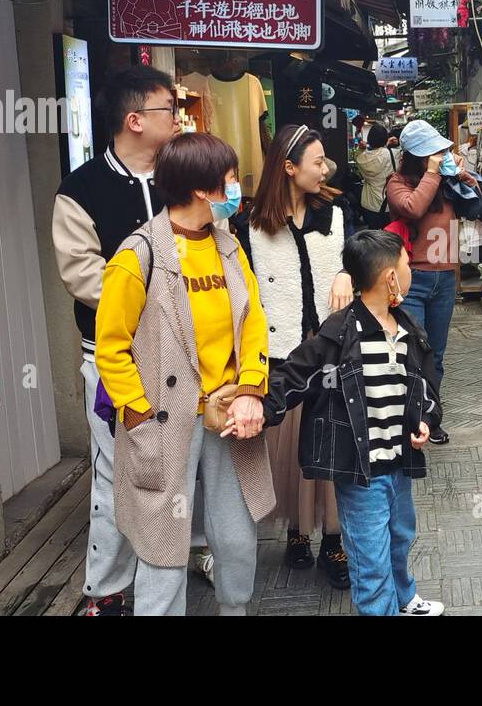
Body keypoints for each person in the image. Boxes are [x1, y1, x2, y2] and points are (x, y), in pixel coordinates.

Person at [95, 132, 274, 616]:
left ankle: (234, 609)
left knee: (235, 535)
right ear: (203, 188)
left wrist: (252, 389)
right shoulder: (138, 256)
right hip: (164, 419)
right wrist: (137, 418)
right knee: (164, 541)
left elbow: (254, 320)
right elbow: (111, 348)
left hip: (228, 414)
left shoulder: (227, 245)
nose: (236, 188)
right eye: (231, 179)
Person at [264, 230, 444, 616]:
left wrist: (427, 418)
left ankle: (404, 597)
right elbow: (296, 374)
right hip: (361, 472)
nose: (410, 268)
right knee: (370, 559)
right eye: (406, 263)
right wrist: (258, 406)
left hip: (399, 465)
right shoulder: (341, 333)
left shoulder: (407, 329)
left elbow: (428, 382)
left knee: (399, 538)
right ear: (390, 278)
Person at [52, 65, 178, 617]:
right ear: (135, 120)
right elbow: (83, 276)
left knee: (184, 466)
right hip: (115, 360)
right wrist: (162, 300)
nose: (176, 118)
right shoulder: (81, 190)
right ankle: (104, 589)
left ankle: (174, 562)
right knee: (116, 473)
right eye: (167, 110)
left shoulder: (183, 178)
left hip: (187, 358)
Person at [240, 123, 355, 588]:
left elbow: (364, 257)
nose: (324, 167)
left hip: (333, 348)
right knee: (288, 450)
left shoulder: (337, 211)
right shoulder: (250, 226)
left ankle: (334, 536)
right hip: (284, 353)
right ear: (288, 168)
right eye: (316, 161)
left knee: (333, 439)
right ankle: (296, 531)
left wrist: (348, 270)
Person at [385, 119, 480, 445]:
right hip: (413, 281)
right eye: (434, 152)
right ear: (418, 156)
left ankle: (430, 418)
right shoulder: (397, 183)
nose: (441, 155)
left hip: (445, 280)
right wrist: (434, 173)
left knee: (436, 355)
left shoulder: (444, 181)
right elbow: (412, 208)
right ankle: (412, 420)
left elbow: (475, 206)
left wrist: (464, 176)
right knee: (413, 353)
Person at [355, 123, 395, 231]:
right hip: (388, 203)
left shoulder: (362, 157)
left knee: (373, 233)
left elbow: (357, 155)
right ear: (385, 138)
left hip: (369, 204)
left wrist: (360, 148)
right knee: (388, 233)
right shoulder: (390, 153)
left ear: (369, 139)